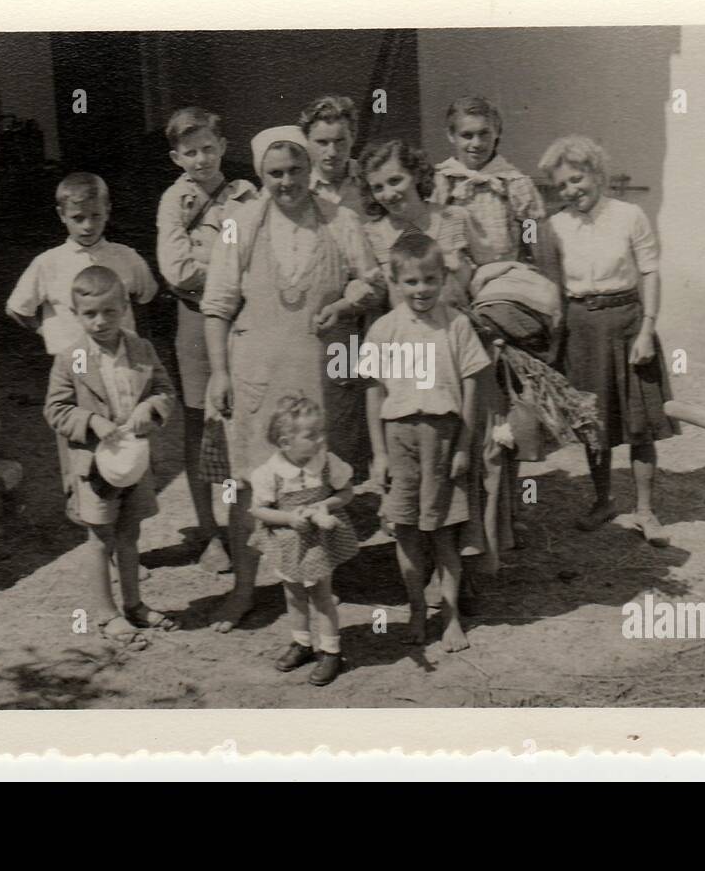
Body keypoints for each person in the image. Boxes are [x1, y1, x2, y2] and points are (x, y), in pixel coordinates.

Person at [201, 125, 384, 633]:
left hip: (321, 376)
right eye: (275, 173)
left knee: (317, 483)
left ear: (310, 169)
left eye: (296, 170)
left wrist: (347, 301)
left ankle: (320, 586)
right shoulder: (238, 224)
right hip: (258, 374)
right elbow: (215, 306)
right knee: (248, 484)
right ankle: (243, 588)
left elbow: (372, 281)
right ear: (260, 176)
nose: (287, 182)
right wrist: (219, 373)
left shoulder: (341, 219)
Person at [540, 134, 679, 546]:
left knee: (641, 424)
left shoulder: (629, 215)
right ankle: (603, 501)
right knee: (592, 423)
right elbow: (552, 287)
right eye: (562, 186)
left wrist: (648, 329)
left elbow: (650, 271)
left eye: (576, 180)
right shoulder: (555, 226)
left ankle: (645, 510)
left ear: (597, 174)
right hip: (581, 329)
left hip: (628, 324)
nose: (570, 191)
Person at [364, 232, 490, 652]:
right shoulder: (384, 329)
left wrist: (462, 446)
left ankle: (450, 614)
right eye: (411, 282)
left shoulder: (457, 324)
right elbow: (373, 391)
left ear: (443, 278)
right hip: (400, 438)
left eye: (430, 280)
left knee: (444, 535)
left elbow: (473, 388)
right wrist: (379, 453)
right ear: (395, 282)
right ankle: (417, 607)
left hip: (443, 436)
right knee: (406, 532)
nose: (422, 290)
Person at [44, 266, 179, 645]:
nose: (100, 322)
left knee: (130, 534)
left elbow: (165, 390)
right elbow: (55, 410)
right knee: (100, 537)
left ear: (124, 308)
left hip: (131, 461)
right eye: (90, 314)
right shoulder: (72, 358)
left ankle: (135, 604)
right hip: (94, 467)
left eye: (109, 312)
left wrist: (150, 408)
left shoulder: (140, 350)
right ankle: (106, 613)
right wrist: (90, 422)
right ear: (75, 313)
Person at [155, 107, 258, 549]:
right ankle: (209, 528)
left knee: (250, 414)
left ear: (223, 148)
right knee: (201, 421)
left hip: (246, 319)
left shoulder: (246, 195)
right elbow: (176, 269)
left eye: (208, 149)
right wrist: (227, 280)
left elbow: (258, 250)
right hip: (196, 318)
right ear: (177, 157)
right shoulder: (174, 201)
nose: (201, 160)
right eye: (190, 152)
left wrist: (227, 277)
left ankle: (251, 522)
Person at [249, 395, 358, 686]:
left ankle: (331, 651)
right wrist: (287, 519)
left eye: (321, 432)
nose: (320, 439)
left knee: (322, 596)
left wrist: (327, 505)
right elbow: (257, 510)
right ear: (286, 442)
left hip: (319, 541)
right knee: (293, 594)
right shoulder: (269, 472)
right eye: (311, 436)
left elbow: (347, 492)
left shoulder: (326, 462)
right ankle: (301, 642)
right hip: (289, 541)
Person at [7, 172, 158, 354]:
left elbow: (145, 299)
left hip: (120, 354)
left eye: (95, 215)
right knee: (84, 381)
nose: (88, 226)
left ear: (107, 211)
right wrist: (48, 334)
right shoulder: (48, 263)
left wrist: (138, 344)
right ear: (62, 215)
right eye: (78, 218)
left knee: (123, 382)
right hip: (76, 354)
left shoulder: (127, 257)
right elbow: (17, 308)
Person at [429, 96, 557, 284]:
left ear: (497, 132)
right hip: (452, 277)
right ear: (451, 135)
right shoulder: (441, 182)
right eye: (467, 135)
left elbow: (532, 239)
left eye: (484, 134)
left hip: (503, 276)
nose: (477, 143)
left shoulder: (515, 183)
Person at [358, 138, 473, 307]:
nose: (388, 194)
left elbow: (488, 266)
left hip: (456, 325)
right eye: (378, 188)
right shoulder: (370, 235)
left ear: (416, 174)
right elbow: (374, 296)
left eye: (395, 181)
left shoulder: (455, 217)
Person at [298, 95, 369, 218]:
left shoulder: (372, 179)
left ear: (353, 137)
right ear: (307, 141)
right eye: (322, 142)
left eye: (340, 141)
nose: (332, 152)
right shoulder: (296, 184)